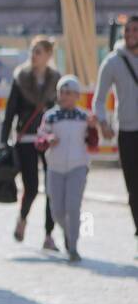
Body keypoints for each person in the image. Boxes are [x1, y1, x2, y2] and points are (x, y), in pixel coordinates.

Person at [36, 76, 113, 262]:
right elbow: (40, 140)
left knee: (73, 206)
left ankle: (73, 246)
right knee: (57, 211)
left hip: (77, 167)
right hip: (55, 167)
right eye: (61, 92)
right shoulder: (51, 116)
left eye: (68, 92)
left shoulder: (84, 117)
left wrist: (93, 128)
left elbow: (93, 144)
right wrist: (48, 140)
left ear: (77, 95)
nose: (64, 96)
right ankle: (69, 233)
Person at [0, 36, 61, 250]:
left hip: (49, 139)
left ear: (48, 55)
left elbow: (60, 111)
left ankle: (48, 234)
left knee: (51, 187)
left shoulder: (56, 81)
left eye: (38, 52)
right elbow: (10, 112)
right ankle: (23, 218)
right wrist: (3, 140)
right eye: (32, 51)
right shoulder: (21, 78)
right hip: (26, 139)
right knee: (32, 187)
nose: (34, 56)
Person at [93, 13, 138, 252]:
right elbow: (99, 99)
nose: (130, 34)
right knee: (134, 187)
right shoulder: (113, 62)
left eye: (135, 30)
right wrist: (103, 122)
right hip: (128, 131)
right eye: (127, 30)